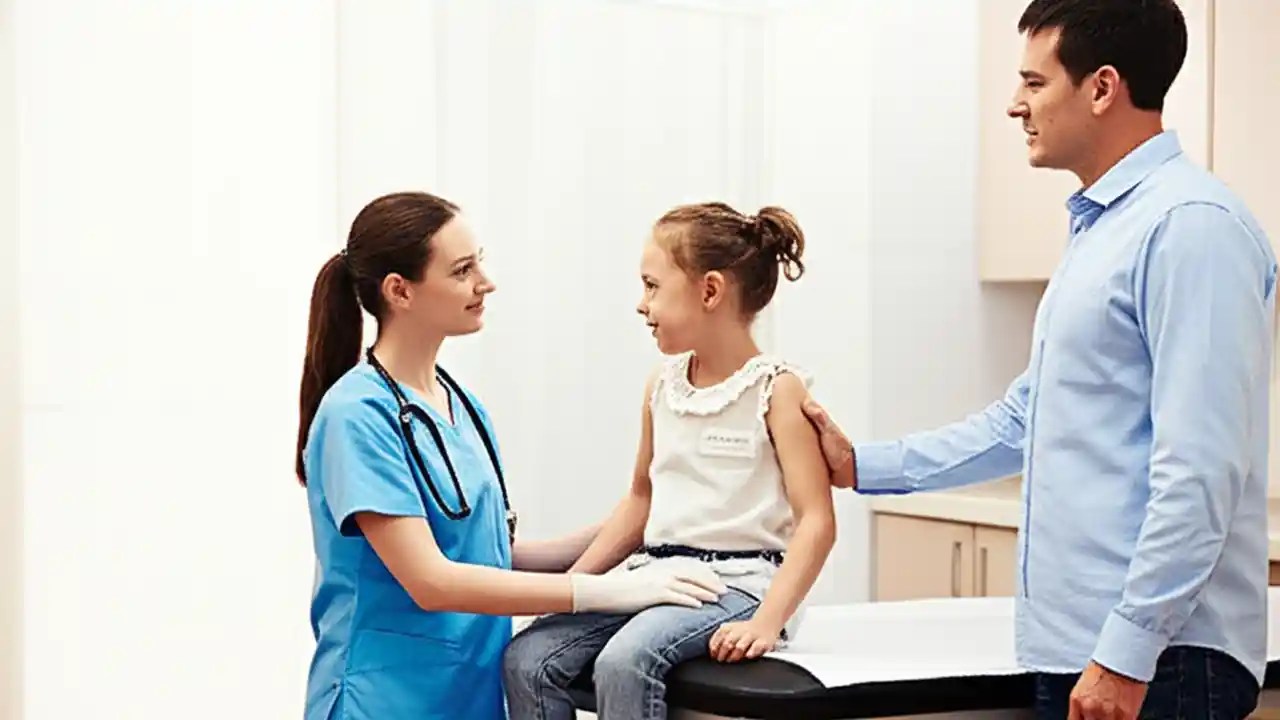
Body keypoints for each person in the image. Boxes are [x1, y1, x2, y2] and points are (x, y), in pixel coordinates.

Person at [803, 1, 1274, 719]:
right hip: (1089, 652)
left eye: (1033, 82)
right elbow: (1028, 417)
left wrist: (1127, 651)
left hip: (1164, 665)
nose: (1013, 105)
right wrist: (862, 466)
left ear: (1101, 87)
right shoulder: (1102, 230)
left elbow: (1201, 471)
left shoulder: (1190, 229)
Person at [295, 191, 729, 720]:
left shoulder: (461, 405)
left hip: (470, 698)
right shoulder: (357, 415)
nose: (486, 281)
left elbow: (492, 550)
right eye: (462, 270)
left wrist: (653, 513)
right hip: (384, 701)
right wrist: (608, 592)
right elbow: (432, 580)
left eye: (480, 260)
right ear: (399, 291)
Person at [502, 201, 837, 719]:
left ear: (709, 291)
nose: (641, 304)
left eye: (652, 286)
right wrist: (572, 588)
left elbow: (817, 520)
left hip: (739, 583)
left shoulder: (777, 390)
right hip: (655, 574)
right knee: (528, 656)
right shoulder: (662, 386)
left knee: (625, 661)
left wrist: (768, 622)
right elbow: (641, 501)